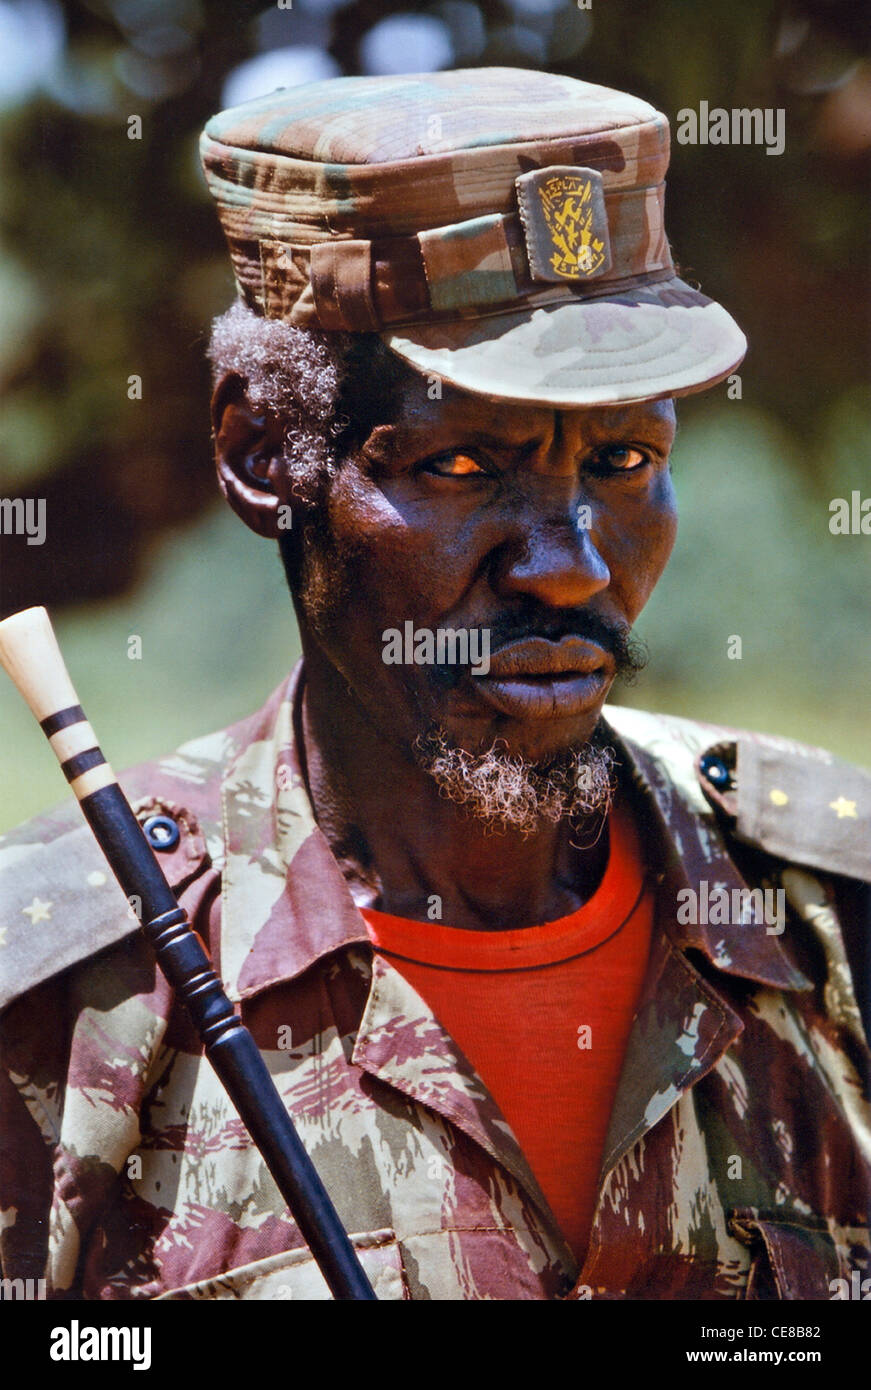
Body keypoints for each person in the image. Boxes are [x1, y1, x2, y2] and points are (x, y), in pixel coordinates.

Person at [0, 67, 868, 1302]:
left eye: (622, 458)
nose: (568, 565)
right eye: (466, 461)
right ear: (264, 453)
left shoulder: (829, 924)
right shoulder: (75, 1000)